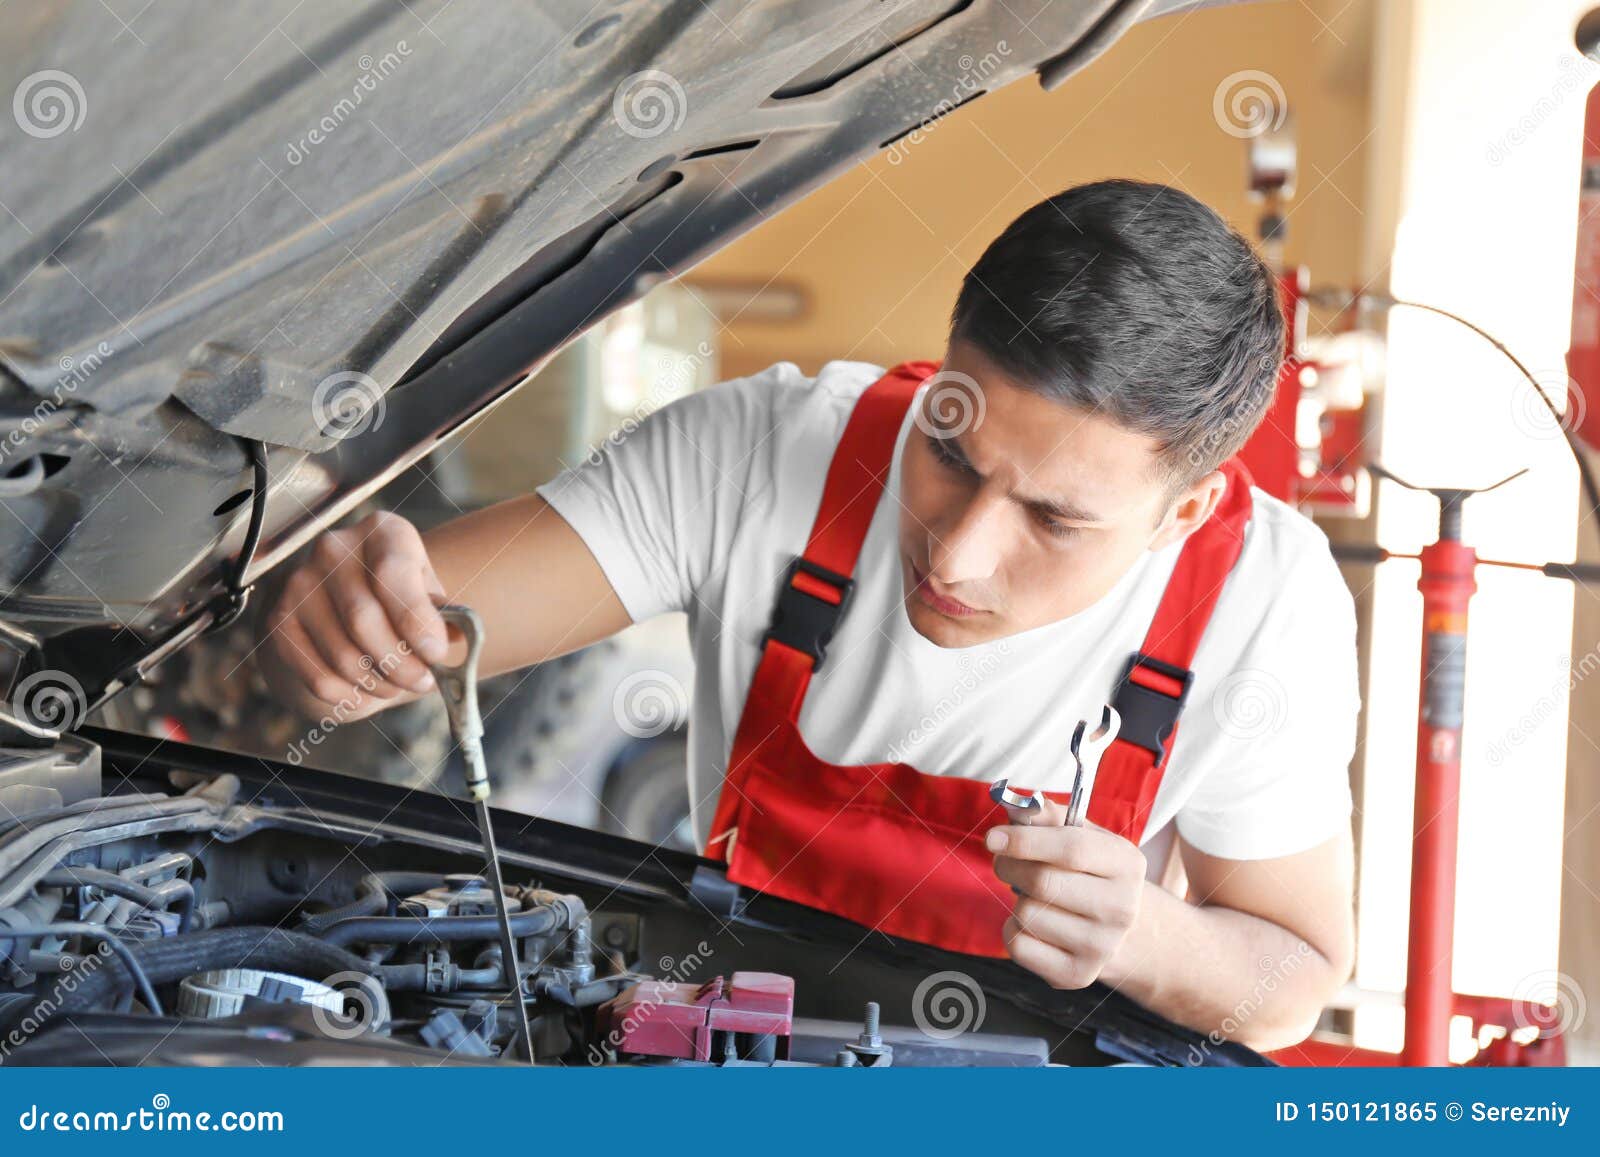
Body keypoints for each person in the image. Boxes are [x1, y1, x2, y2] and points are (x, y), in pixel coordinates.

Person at [258, 179, 1358, 1050]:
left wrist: (1148, 935)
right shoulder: (762, 453)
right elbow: (412, 617)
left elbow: (1284, 986)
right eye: (948, 450)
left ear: (1185, 509)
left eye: (1055, 518)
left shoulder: (1261, 611)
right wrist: (341, 609)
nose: (959, 554)